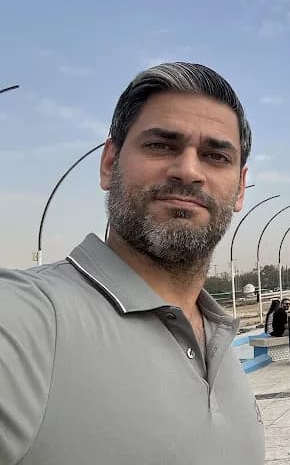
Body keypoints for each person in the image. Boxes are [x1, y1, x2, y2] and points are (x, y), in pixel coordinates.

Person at [0, 63, 264, 464]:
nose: (189, 171)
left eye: (215, 155)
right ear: (110, 163)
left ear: (240, 187)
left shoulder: (220, 338)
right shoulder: (28, 321)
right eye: (161, 145)